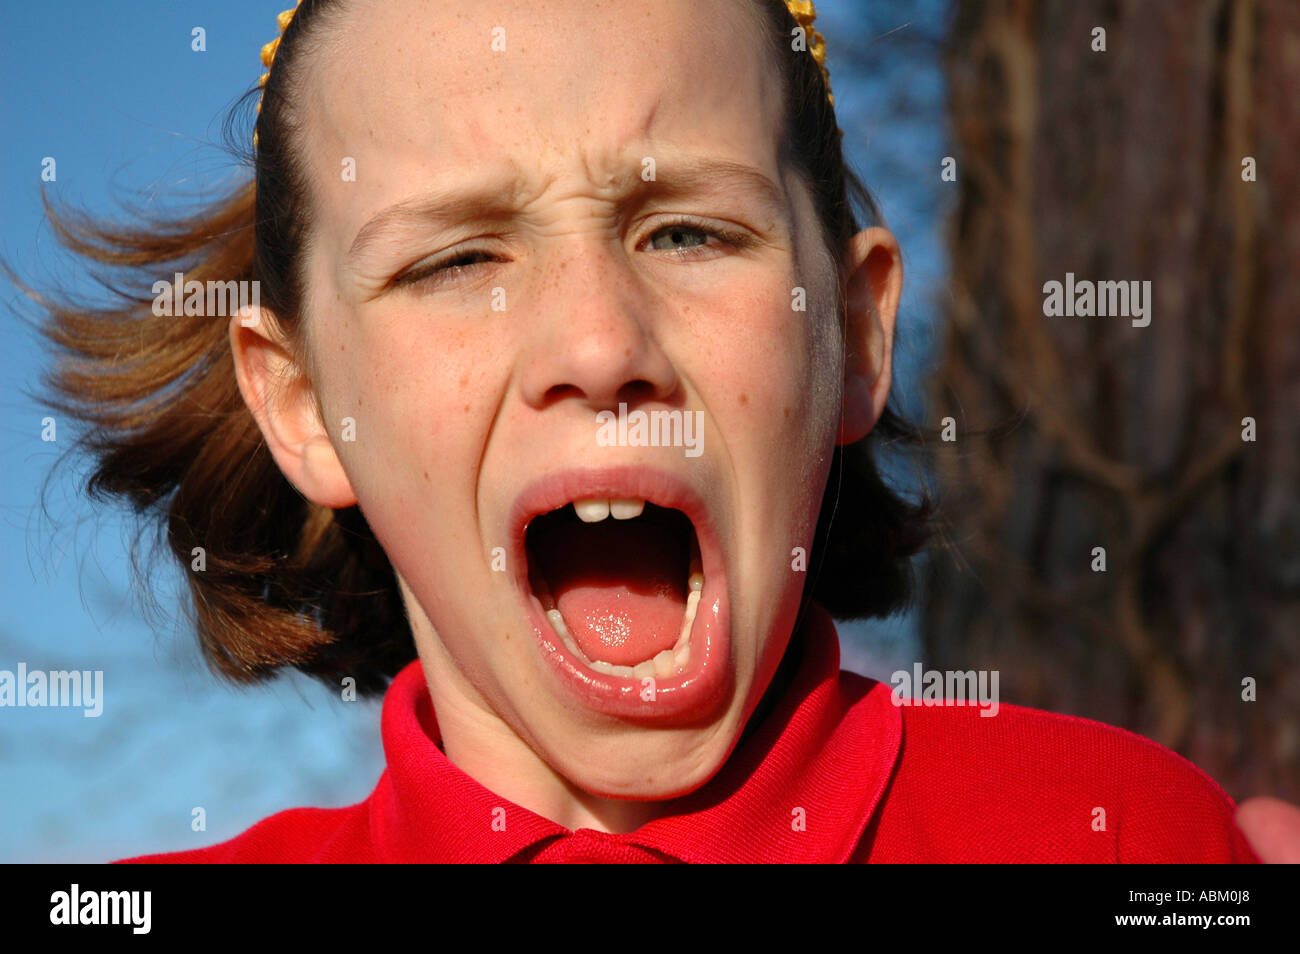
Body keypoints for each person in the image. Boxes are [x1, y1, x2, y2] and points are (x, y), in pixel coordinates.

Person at [28, 0, 1293, 862]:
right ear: (301, 405)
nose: (598, 347)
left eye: (687, 231)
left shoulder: (1109, 835)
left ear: (851, 334)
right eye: (458, 258)